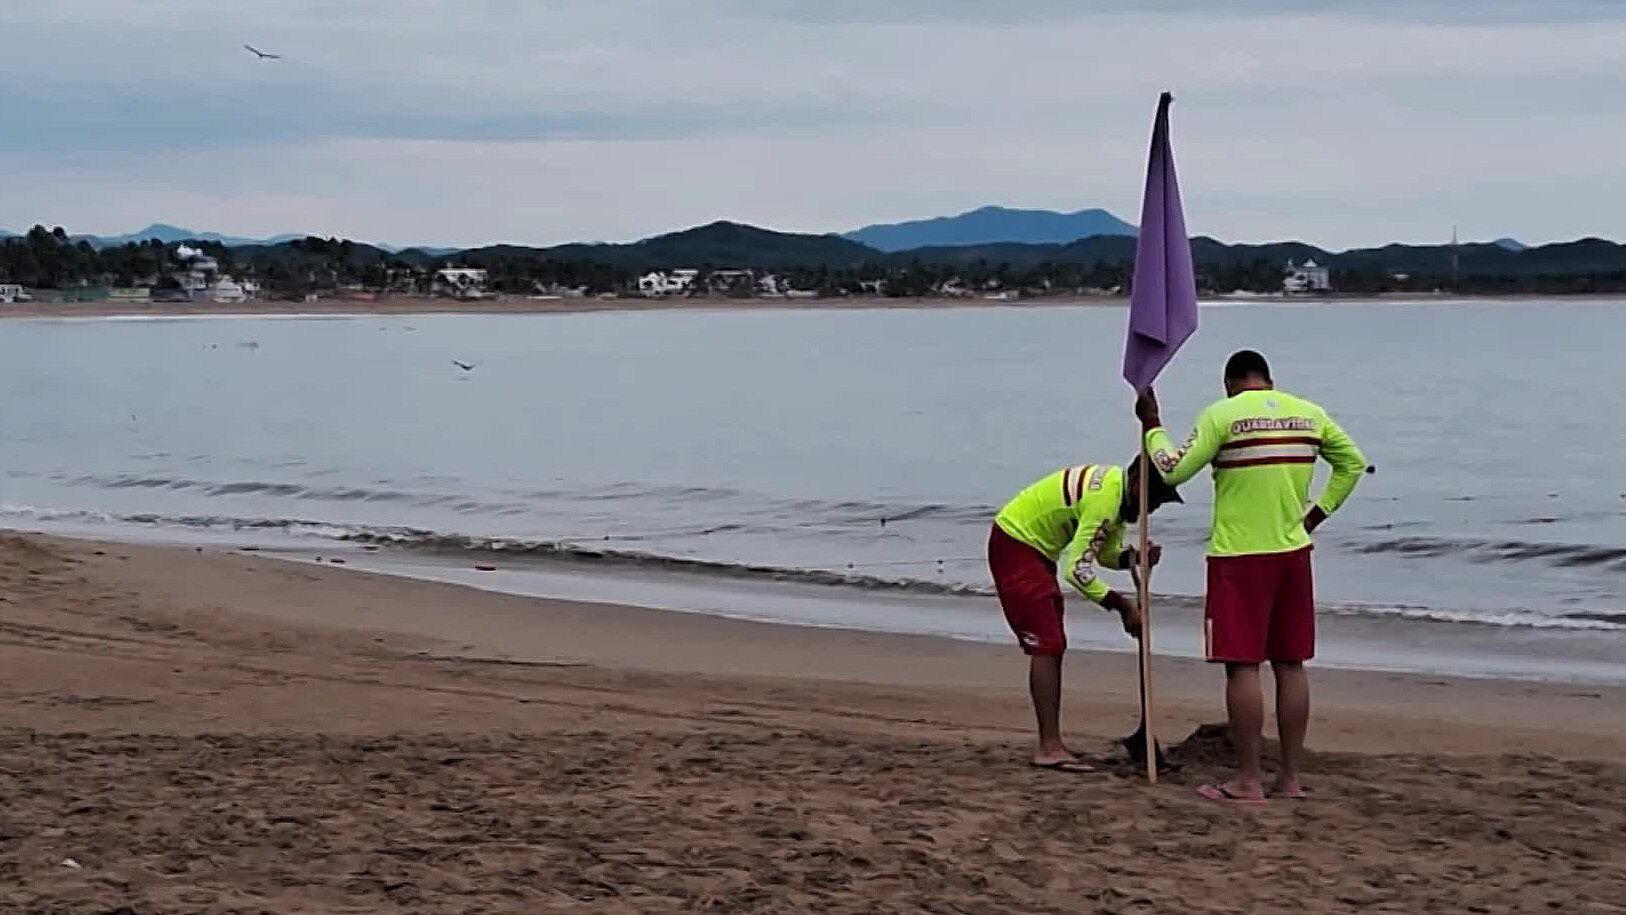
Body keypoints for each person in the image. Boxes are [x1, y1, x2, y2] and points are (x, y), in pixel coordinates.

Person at [1135, 349, 1367, 804]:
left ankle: (1247, 779)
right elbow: (1353, 464)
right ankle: (1290, 778)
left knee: (1242, 666)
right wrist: (1317, 513)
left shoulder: (1223, 415)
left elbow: (1172, 468)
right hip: (1293, 552)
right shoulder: (1310, 413)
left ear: (1229, 384)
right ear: (1269, 380)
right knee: (1290, 663)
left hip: (1239, 556)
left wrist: (1152, 426)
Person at [989, 459, 1182, 772]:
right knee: (1047, 644)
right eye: (1152, 500)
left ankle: (1052, 743)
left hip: (1035, 551)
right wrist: (1122, 607)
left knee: (1052, 642)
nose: (1150, 512)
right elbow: (1077, 571)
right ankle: (1049, 748)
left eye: (1157, 505)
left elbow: (1100, 552)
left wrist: (1132, 558)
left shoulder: (1116, 498)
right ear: (1136, 483)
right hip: (1016, 545)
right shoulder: (1106, 501)